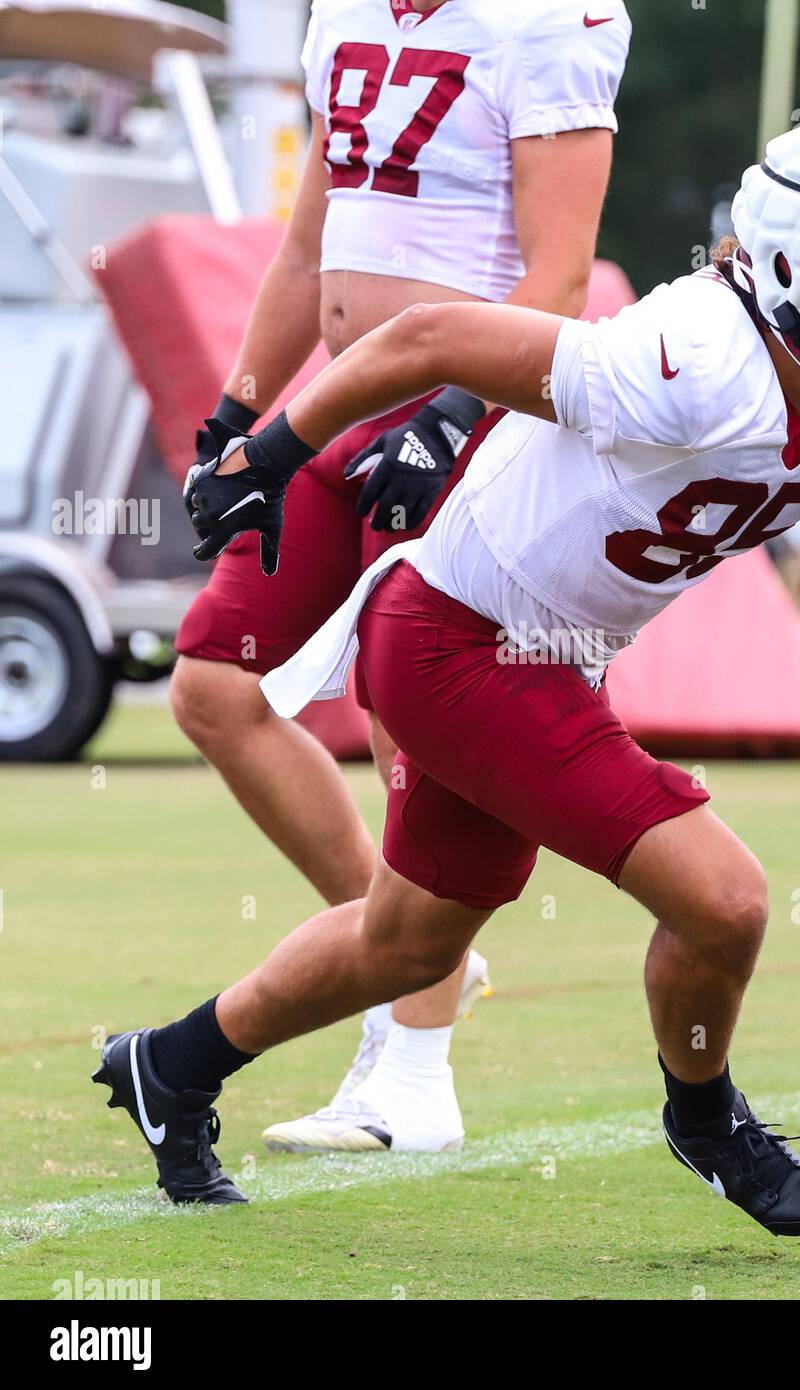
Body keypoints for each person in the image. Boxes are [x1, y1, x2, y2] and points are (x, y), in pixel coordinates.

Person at [96, 120, 800, 1235]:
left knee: (408, 943)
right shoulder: (687, 357)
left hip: (538, 655)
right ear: (794, 277)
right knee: (726, 899)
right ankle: (708, 1121)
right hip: (455, 641)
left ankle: (168, 1067)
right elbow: (428, 336)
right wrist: (269, 454)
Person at [169, 0, 631, 1154]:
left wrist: (457, 407)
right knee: (215, 683)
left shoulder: (542, 19)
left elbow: (561, 277)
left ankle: (412, 1067)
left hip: (463, 423)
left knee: (412, 720)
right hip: (339, 404)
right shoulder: (349, 12)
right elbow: (305, 247)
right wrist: (237, 410)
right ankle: (415, 955)